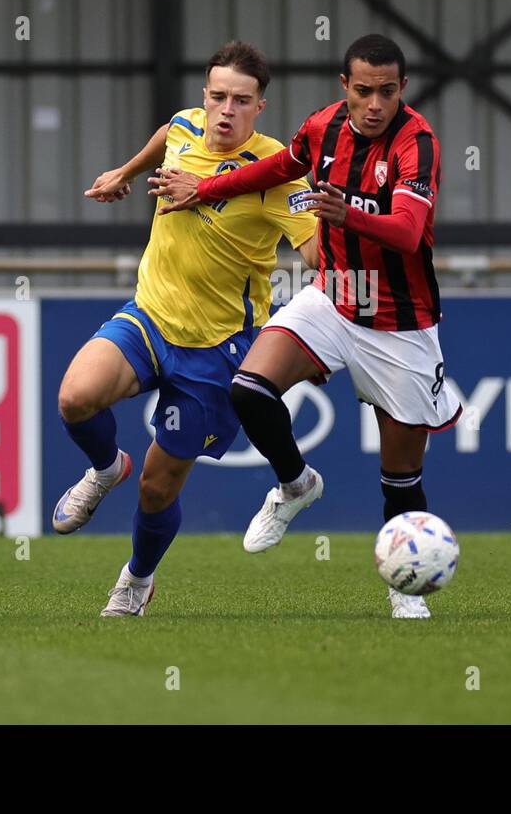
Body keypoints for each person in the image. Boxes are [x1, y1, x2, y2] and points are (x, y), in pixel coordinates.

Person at [150, 33, 462, 620]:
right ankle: (295, 484)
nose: (375, 104)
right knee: (249, 388)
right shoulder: (323, 128)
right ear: (345, 87)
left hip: (399, 322)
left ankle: (404, 586)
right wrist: (205, 190)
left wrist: (351, 213)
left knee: (399, 476)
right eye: (363, 90)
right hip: (334, 297)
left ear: (403, 90)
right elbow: (274, 168)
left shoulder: (417, 142)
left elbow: (409, 232)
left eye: (387, 92)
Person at [55, 41, 319, 617]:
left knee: (157, 487)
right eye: (218, 96)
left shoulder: (277, 172)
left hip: (218, 351)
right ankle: (104, 469)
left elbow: (318, 252)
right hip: (151, 315)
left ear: (260, 107)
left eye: (241, 101)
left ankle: (137, 578)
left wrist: (345, 237)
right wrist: (125, 172)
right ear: (205, 97)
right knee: (75, 397)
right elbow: (166, 135)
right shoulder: (185, 125)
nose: (226, 110)